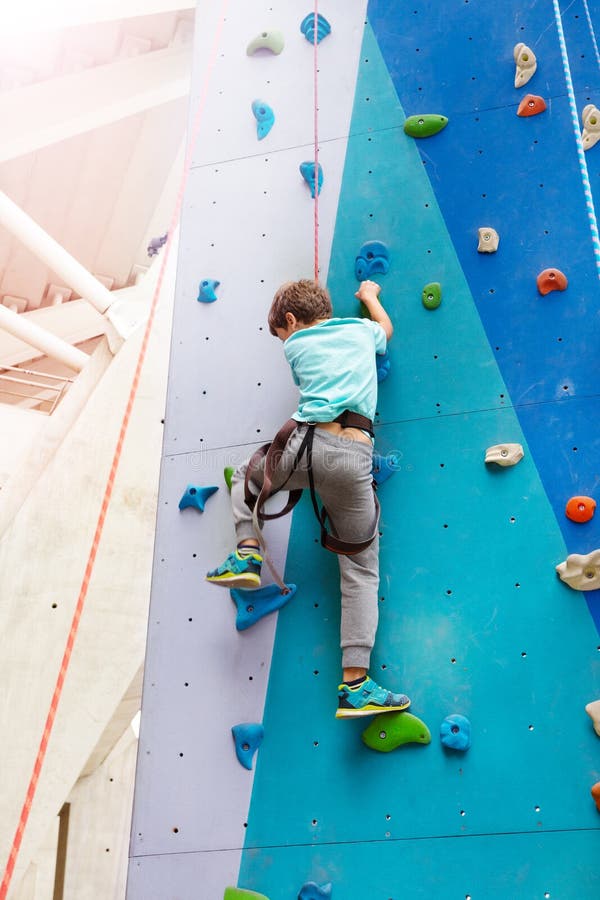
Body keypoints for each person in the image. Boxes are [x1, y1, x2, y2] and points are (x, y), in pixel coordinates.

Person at [206, 278, 410, 719]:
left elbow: (305, 353)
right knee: (359, 570)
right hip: (353, 454)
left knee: (247, 477)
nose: (284, 339)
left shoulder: (294, 346)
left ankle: (246, 553)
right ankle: (355, 684)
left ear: (292, 322)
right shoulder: (359, 332)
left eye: (282, 331)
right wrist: (371, 298)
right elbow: (386, 330)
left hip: (302, 447)